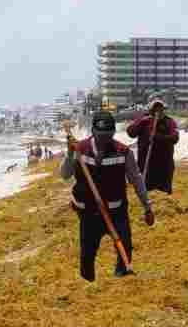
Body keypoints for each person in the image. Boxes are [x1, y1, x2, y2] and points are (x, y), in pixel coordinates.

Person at [60, 111, 153, 281]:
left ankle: (122, 279)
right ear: (93, 131)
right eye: (101, 135)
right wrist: (70, 153)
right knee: (87, 254)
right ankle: (87, 283)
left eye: (108, 135)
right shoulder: (80, 149)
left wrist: (147, 207)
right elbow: (65, 174)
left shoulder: (123, 152)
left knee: (125, 247)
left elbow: (137, 180)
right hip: (88, 212)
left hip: (116, 211)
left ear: (113, 133)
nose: (104, 139)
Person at [125, 97, 180, 194]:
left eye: (160, 109)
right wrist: (141, 122)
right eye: (155, 109)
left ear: (163, 110)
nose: (158, 112)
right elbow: (130, 132)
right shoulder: (144, 121)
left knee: (163, 194)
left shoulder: (169, 122)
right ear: (150, 110)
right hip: (146, 164)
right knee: (146, 191)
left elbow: (175, 138)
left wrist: (158, 137)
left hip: (164, 165)